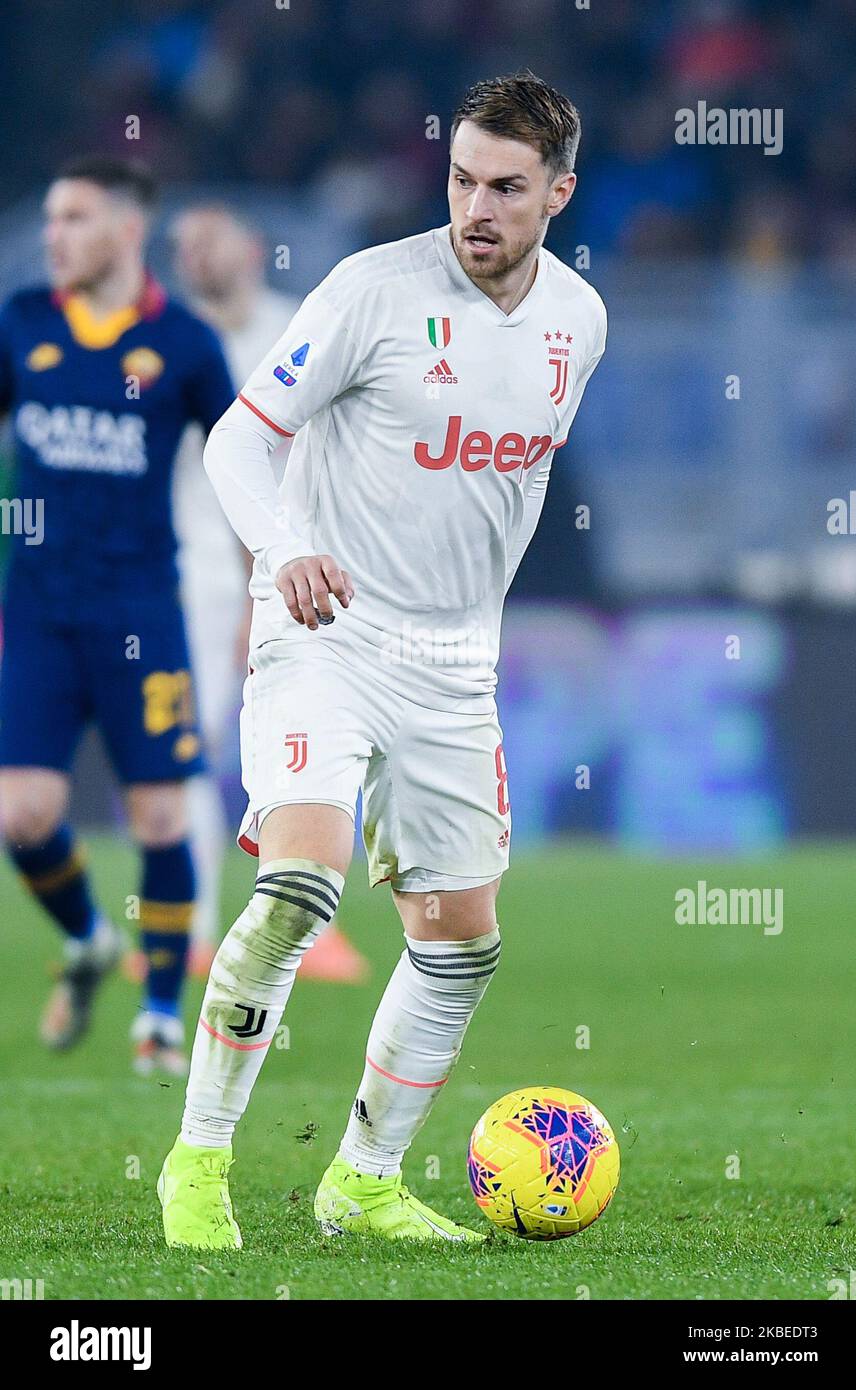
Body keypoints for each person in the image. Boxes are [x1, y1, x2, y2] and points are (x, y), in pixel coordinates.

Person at [158, 71, 606, 1246]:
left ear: (558, 192)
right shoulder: (371, 290)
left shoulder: (578, 324)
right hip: (324, 632)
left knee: (459, 939)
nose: (477, 207)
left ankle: (360, 1178)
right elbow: (239, 446)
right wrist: (291, 547)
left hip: (455, 665)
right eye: (461, 178)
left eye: (507, 187)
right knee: (299, 885)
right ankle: (197, 1162)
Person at [0, 157, 235, 1073]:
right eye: (51, 217)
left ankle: (162, 1019)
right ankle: (91, 939)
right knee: (22, 814)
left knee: (163, 819)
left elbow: (243, 462)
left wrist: (268, 583)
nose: (52, 234)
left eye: (73, 217)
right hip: (42, 618)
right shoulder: (23, 324)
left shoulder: (183, 344)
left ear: (128, 231)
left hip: (144, 614)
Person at [169, 205, 370, 985]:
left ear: (252, 248)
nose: (193, 253)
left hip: (299, 572)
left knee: (309, 744)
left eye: (207, 238)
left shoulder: (302, 327)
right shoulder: (169, 344)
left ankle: (307, 924)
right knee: (185, 748)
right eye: (182, 243)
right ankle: (192, 928)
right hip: (192, 579)